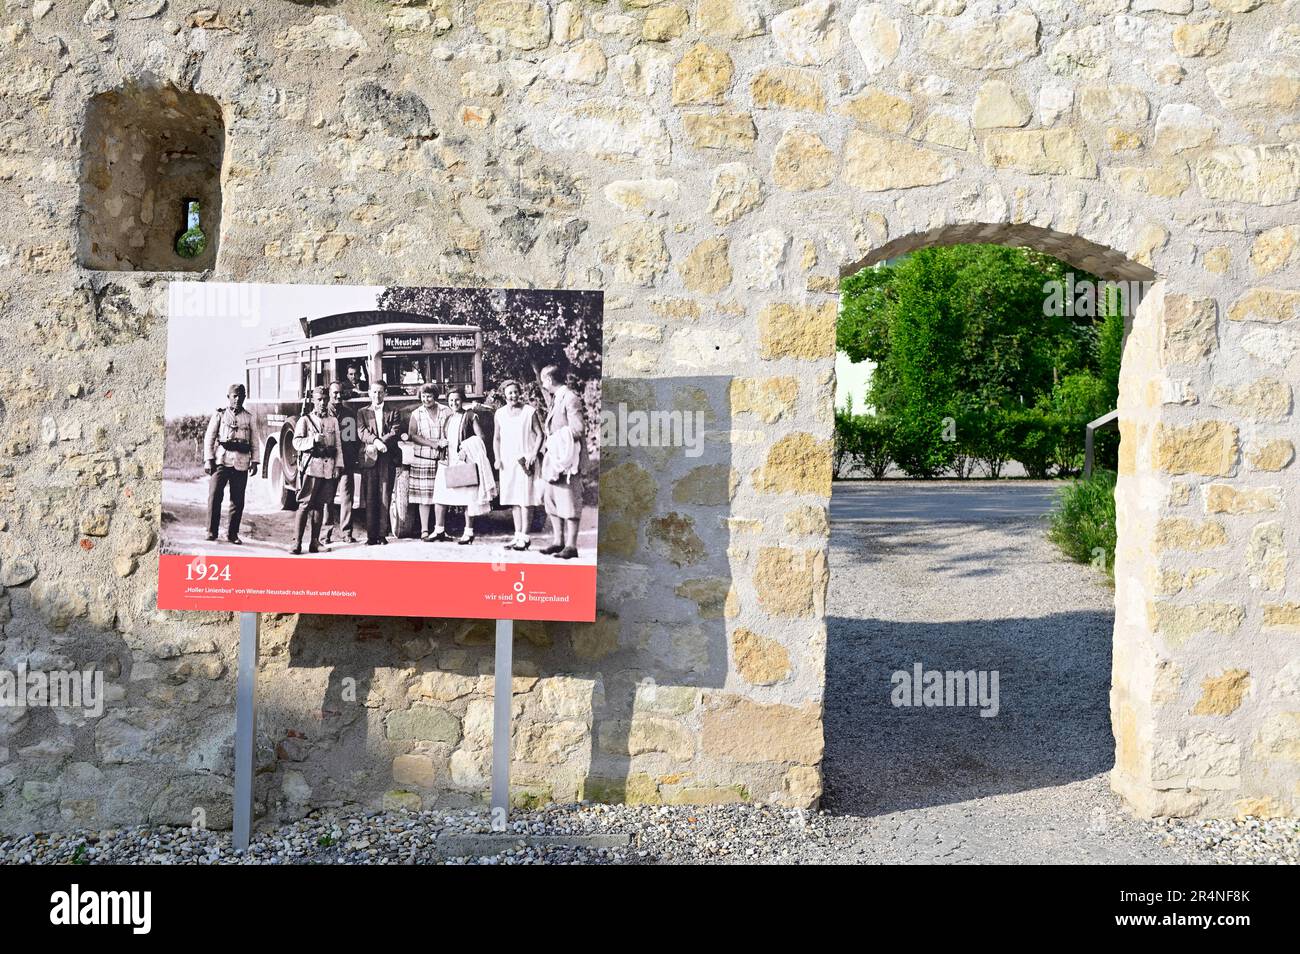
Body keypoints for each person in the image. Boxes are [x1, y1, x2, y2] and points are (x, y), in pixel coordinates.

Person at [431, 387, 495, 545]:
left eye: (457, 400)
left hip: (464, 462)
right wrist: (441, 443)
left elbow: (481, 437)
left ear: (462, 400)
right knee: (440, 496)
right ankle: (439, 530)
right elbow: (446, 438)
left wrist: (466, 450)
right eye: (451, 400)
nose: (454, 403)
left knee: (468, 498)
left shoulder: (471, 416)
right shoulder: (448, 419)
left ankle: (468, 533)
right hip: (448, 461)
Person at [539, 364, 586, 560]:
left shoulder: (570, 398)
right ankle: (558, 541)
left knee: (569, 500)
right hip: (554, 459)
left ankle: (571, 545)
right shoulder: (556, 398)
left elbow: (577, 429)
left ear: (549, 380)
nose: (543, 384)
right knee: (551, 499)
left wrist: (556, 440)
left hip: (567, 460)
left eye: (543, 380)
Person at [290, 386, 344, 554]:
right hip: (311, 468)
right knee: (305, 504)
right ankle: (296, 542)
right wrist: (313, 440)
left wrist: (338, 466)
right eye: (319, 399)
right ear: (313, 400)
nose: (322, 402)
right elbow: (296, 443)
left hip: (327, 468)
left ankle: (315, 542)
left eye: (325, 399)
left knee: (320, 505)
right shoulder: (305, 420)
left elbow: (338, 446)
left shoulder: (333, 421)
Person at [203, 383, 258, 544]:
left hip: (241, 462)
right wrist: (208, 459)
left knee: (238, 500)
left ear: (244, 397)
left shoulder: (249, 417)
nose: (238, 399)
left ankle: (232, 534)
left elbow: (254, 440)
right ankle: (211, 531)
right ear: (228, 397)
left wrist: (255, 462)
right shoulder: (220, 415)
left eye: (241, 396)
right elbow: (209, 438)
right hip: (221, 460)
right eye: (235, 396)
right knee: (214, 496)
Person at [493, 379, 544, 550]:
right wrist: (497, 458)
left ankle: (526, 536)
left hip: (525, 460)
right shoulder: (499, 414)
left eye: (515, 392)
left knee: (525, 499)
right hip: (507, 462)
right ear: (504, 395)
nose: (513, 395)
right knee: (514, 500)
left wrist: (533, 454)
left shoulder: (529, 411)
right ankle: (517, 536)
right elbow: (497, 438)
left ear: (519, 393)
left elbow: (540, 434)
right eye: (510, 393)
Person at [402, 383, 451, 541]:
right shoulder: (417, 413)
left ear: (435, 397)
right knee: (424, 497)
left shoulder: (446, 410)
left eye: (429, 396)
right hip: (423, 458)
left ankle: (440, 528)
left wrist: (444, 443)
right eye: (423, 396)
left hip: (443, 458)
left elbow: (452, 430)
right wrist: (432, 444)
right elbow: (413, 434)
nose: (426, 399)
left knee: (442, 495)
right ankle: (424, 530)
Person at [357, 380, 403, 545]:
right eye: (374, 392)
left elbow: (395, 431)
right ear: (369, 393)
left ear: (386, 394)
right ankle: (371, 536)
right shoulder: (362, 412)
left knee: (385, 496)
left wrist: (382, 443)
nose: (377, 395)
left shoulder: (394, 411)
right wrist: (376, 442)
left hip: (387, 458)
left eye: (380, 392)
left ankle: (382, 534)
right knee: (370, 497)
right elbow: (361, 432)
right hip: (369, 459)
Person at [323, 380, 359, 545]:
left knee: (346, 498)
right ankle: (325, 535)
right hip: (327, 463)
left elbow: (351, 440)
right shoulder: (322, 414)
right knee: (327, 499)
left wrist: (350, 463)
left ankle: (346, 533)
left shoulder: (349, 414)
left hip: (345, 463)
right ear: (329, 394)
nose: (337, 396)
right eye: (334, 393)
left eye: (340, 393)